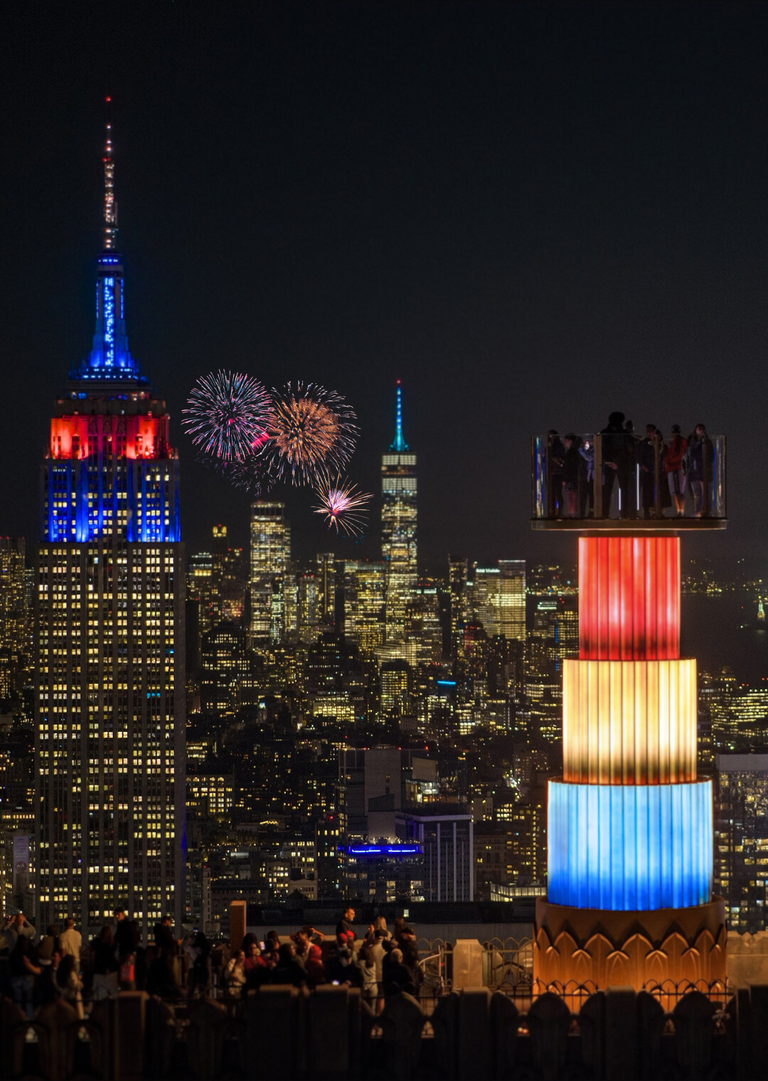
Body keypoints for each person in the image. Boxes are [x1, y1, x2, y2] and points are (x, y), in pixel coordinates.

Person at [601, 411, 635, 519]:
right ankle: (624, 514)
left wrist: (608, 461)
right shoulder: (624, 433)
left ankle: (604, 514)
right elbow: (630, 448)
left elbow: (601, 449)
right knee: (624, 490)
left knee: (606, 490)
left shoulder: (604, 433)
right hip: (622, 464)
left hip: (608, 464)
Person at [686, 423, 714, 517]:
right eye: (699, 428)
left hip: (703, 472)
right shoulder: (691, 441)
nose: (701, 430)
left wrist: (707, 467)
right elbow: (688, 455)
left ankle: (706, 511)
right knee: (697, 494)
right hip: (694, 471)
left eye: (703, 428)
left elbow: (710, 457)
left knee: (705, 493)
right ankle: (697, 511)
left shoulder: (707, 442)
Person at [9, 934, 40, 1019]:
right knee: (28, 1001)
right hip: (28, 977)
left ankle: (17, 1018)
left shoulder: (15, 952)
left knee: (17, 1000)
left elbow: (11, 966)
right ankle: (28, 1019)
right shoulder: (31, 951)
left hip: (16, 978)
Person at [665, 425, 688, 517]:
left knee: (678, 491)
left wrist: (668, 461)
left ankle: (681, 511)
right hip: (674, 468)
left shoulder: (679, 442)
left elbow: (678, 455)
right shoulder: (677, 442)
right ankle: (679, 511)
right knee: (675, 491)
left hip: (676, 468)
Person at [91, 925, 119, 1000]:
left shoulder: (97, 942)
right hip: (112, 969)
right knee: (112, 991)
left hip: (99, 969)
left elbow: (92, 948)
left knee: (99, 992)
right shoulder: (113, 944)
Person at [57, 953, 84, 1019]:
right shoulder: (71, 974)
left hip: (63, 994)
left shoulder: (61, 972)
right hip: (69, 995)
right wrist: (79, 981)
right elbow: (76, 985)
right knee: (78, 995)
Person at [546, 430, 565, 518]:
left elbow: (561, 460)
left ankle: (559, 513)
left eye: (551, 436)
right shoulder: (549, 447)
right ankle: (552, 512)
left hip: (557, 473)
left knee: (557, 493)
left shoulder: (558, 446)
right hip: (551, 473)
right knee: (551, 494)